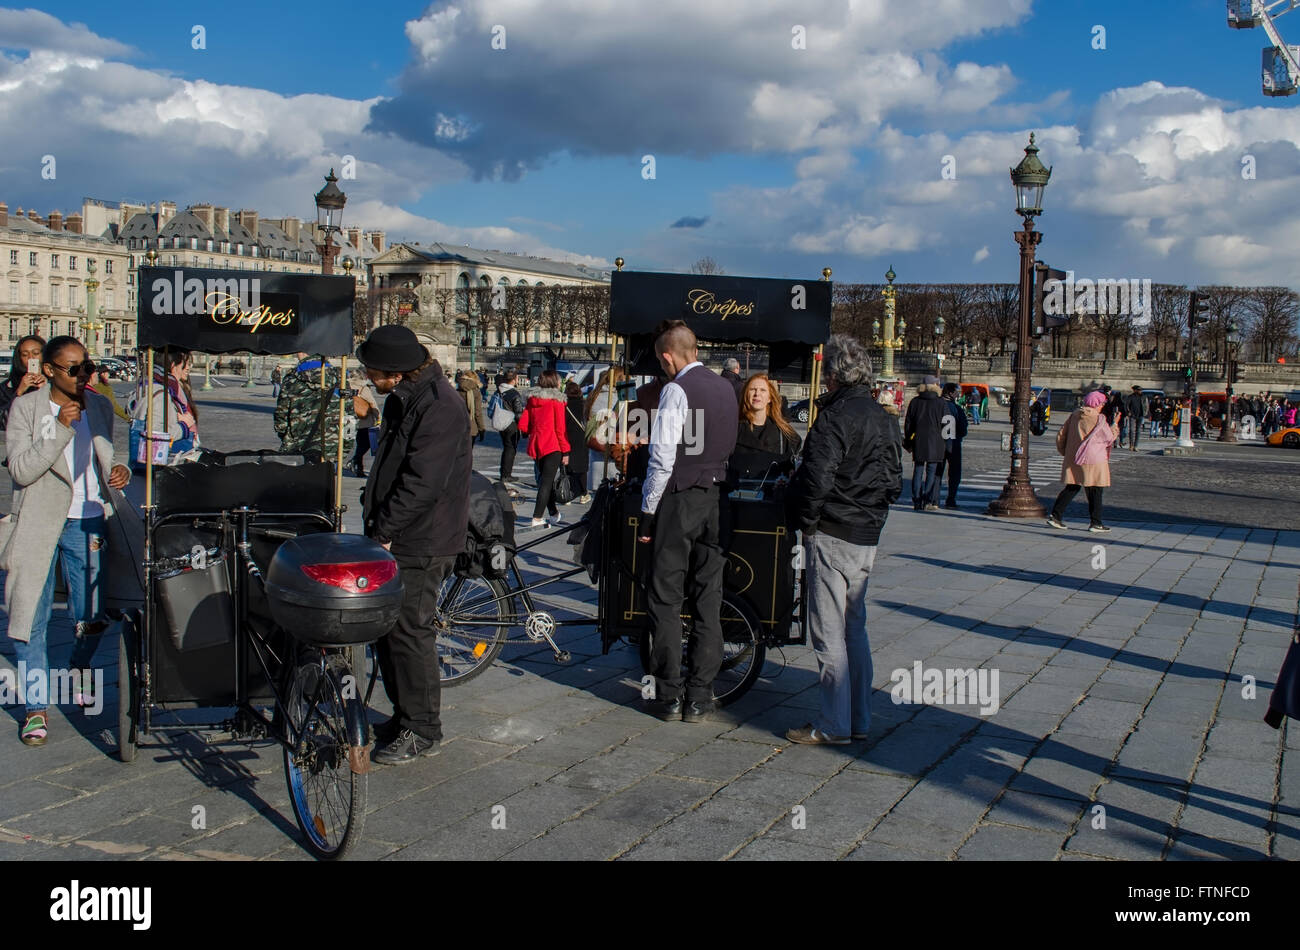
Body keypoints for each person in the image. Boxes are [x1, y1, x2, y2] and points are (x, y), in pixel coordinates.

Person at [3, 336, 131, 745]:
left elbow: (104, 455)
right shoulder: (25, 408)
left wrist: (120, 470)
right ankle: (35, 707)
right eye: (73, 368)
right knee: (31, 618)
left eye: (86, 366)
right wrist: (59, 430)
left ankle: (77, 668)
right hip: (38, 523)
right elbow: (20, 471)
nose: (82, 375)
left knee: (91, 615)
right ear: (50, 370)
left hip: (88, 520)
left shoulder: (96, 404)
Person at [356, 325, 471, 764]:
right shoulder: (411, 398)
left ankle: (423, 728)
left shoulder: (441, 406)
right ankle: (405, 716)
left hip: (422, 538)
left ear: (395, 371)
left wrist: (383, 530)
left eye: (372, 369)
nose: (368, 376)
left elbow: (422, 484)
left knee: (411, 633)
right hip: (404, 533)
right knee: (391, 631)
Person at [784, 334, 901, 744]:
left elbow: (816, 478)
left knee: (828, 631)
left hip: (833, 529)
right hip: (866, 532)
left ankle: (834, 724)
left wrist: (806, 519)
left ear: (832, 376)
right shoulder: (884, 418)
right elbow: (894, 481)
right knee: (855, 629)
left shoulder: (834, 418)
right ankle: (859, 718)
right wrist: (874, 517)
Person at [638, 321, 738, 724]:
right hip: (715, 498)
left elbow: (661, 458)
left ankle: (667, 693)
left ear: (667, 356)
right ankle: (700, 695)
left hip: (679, 498)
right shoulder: (726, 388)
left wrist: (647, 513)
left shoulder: (675, 389)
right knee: (708, 599)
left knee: (665, 597)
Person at [1047, 389, 1116, 533]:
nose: (1102, 406)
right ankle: (1096, 523)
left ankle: (1055, 516)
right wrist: (1115, 426)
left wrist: (1065, 452)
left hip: (1074, 457)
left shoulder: (1074, 415)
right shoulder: (1099, 419)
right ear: (1096, 403)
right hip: (1093, 459)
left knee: (1072, 487)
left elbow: (1061, 435)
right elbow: (1109, 438)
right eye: (1101, 403)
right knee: (1095, 490)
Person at [129, 348, 198, 475]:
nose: (188, 368)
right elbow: (155, 435)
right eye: (185, 364)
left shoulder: (150, 386)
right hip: (159, 471)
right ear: (173, 365)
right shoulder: (161, 393)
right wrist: (184, 426)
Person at [273, 353, 353, 461]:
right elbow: (350, 419)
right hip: (331, 449)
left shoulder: (292, 379)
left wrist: (287, 438)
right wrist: (344, 449)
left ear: (301, 353)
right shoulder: (341, 379)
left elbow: (281, 418)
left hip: (297, 447)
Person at [517, 369, 570, 528]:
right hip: (553, 444)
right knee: (546, 483)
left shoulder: (532, 400)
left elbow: (523, 424)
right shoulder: (557, 401)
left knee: (543, 481)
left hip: (537, 443)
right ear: (554, 382)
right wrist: (565, 450)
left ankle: (553, 513)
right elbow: (560, 429)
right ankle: (537, 517)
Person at [730, 373, 802, 481]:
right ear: (745, 395)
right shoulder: (732, 429)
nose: (757, 394)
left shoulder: (784, 433)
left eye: (762, 390)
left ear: (769, 398)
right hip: (736, 492)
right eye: (752, 389)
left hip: (770, 492)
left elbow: (792, 464)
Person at [903, 375, 948, 511]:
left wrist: (909, 441)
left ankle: (917, 500)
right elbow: (948, 423)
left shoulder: (915, 402)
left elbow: (908, 424)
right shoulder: (941, 403)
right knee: (932, 471)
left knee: (918, 470)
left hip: (919, 440)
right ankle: (928, 499)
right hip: (936, 441)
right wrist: (946, 440)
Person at [0, 335, 47, 429]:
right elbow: (3, 422)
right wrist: (19, 393)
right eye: (25, 355)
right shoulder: (5, 388)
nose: (31, 358)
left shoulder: (56, 383)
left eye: (36, 353)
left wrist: (46, 390)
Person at [934, 381, 968, 509]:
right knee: (954, 473)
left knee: (937, 472)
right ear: (951, 393)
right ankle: (951, 499)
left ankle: (934, 499)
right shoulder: (957, 408)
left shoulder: (936, 406)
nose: (958, 394)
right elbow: (963, 429)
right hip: (953, 443)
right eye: (956, 392)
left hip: (938, 442)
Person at [492, 371, 526, 486]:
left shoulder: (498, 391)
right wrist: (524, 428)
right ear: (514, 379)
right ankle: (506, 475)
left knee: (506, 447)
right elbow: (519, 413)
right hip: (511, 424)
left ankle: (504, 473)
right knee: (511, 449)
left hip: (501, 422)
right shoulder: (514, 393)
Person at [349, 371, 382, 478]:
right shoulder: (363, 388)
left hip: (350, 421)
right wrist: (379, 418)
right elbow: (373, 404)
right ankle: (356, 463)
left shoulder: (345, 386)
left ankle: (357, 465)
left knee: (353, 445)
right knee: (364, 445)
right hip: (365, 422)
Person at [563, 380, 591, 504]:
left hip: (568, 436)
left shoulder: (564, 405)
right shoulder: (585, 404)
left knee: (568, 466)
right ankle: (584, 494)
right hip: (582, 437)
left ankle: (568, 493)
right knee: (582, 467)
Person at [457, 370, 487, 444]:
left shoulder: (456, 391)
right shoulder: (476, 392)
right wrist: (481, 429)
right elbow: (478, 412)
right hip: (471, 427)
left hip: (457, 426)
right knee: (468, 453)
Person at [1123, 385, 1147, 451]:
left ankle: (1136, 445)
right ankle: (1131, 445)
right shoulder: (1130, 397)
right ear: (1135, 390)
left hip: (1140, 415)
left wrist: (1145, 413)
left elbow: (1146, 405)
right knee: (1131, 430)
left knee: (1138, 431)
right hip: (1132, 415)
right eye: (1139, 390)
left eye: (1140, 390)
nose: (1140, 391)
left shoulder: (1143, 397)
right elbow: (1126, 405)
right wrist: (1128, 412)